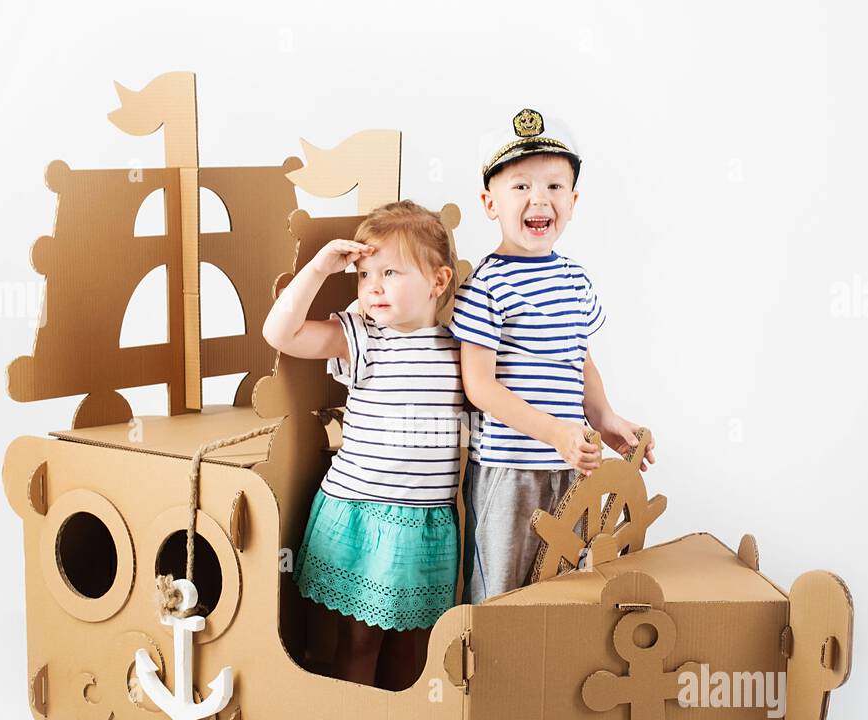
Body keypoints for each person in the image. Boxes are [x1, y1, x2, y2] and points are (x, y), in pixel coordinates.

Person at [453, 108, 656, 605]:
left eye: (553, 187)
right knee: (503, 591)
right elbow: (479, 386)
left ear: (573, 201)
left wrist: (604, 417)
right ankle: (493, 677)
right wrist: (555, 433)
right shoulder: (486, 285)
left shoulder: (575, 279)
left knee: (566, 583)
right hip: (511, 470)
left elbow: (578, 358)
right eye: (520, 187)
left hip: (572, 466)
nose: (538, 199)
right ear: (489, 203)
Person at [262, 200, 462, 690]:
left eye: (390, 272)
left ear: (438, 281)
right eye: (364, 274)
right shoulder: (365, 338)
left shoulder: (462, 345)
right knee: (358, 643)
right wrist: (317, 269)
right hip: (362, 513)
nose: (372, 285)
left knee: (412, 647)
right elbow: (279, 333)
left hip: (426, 522)